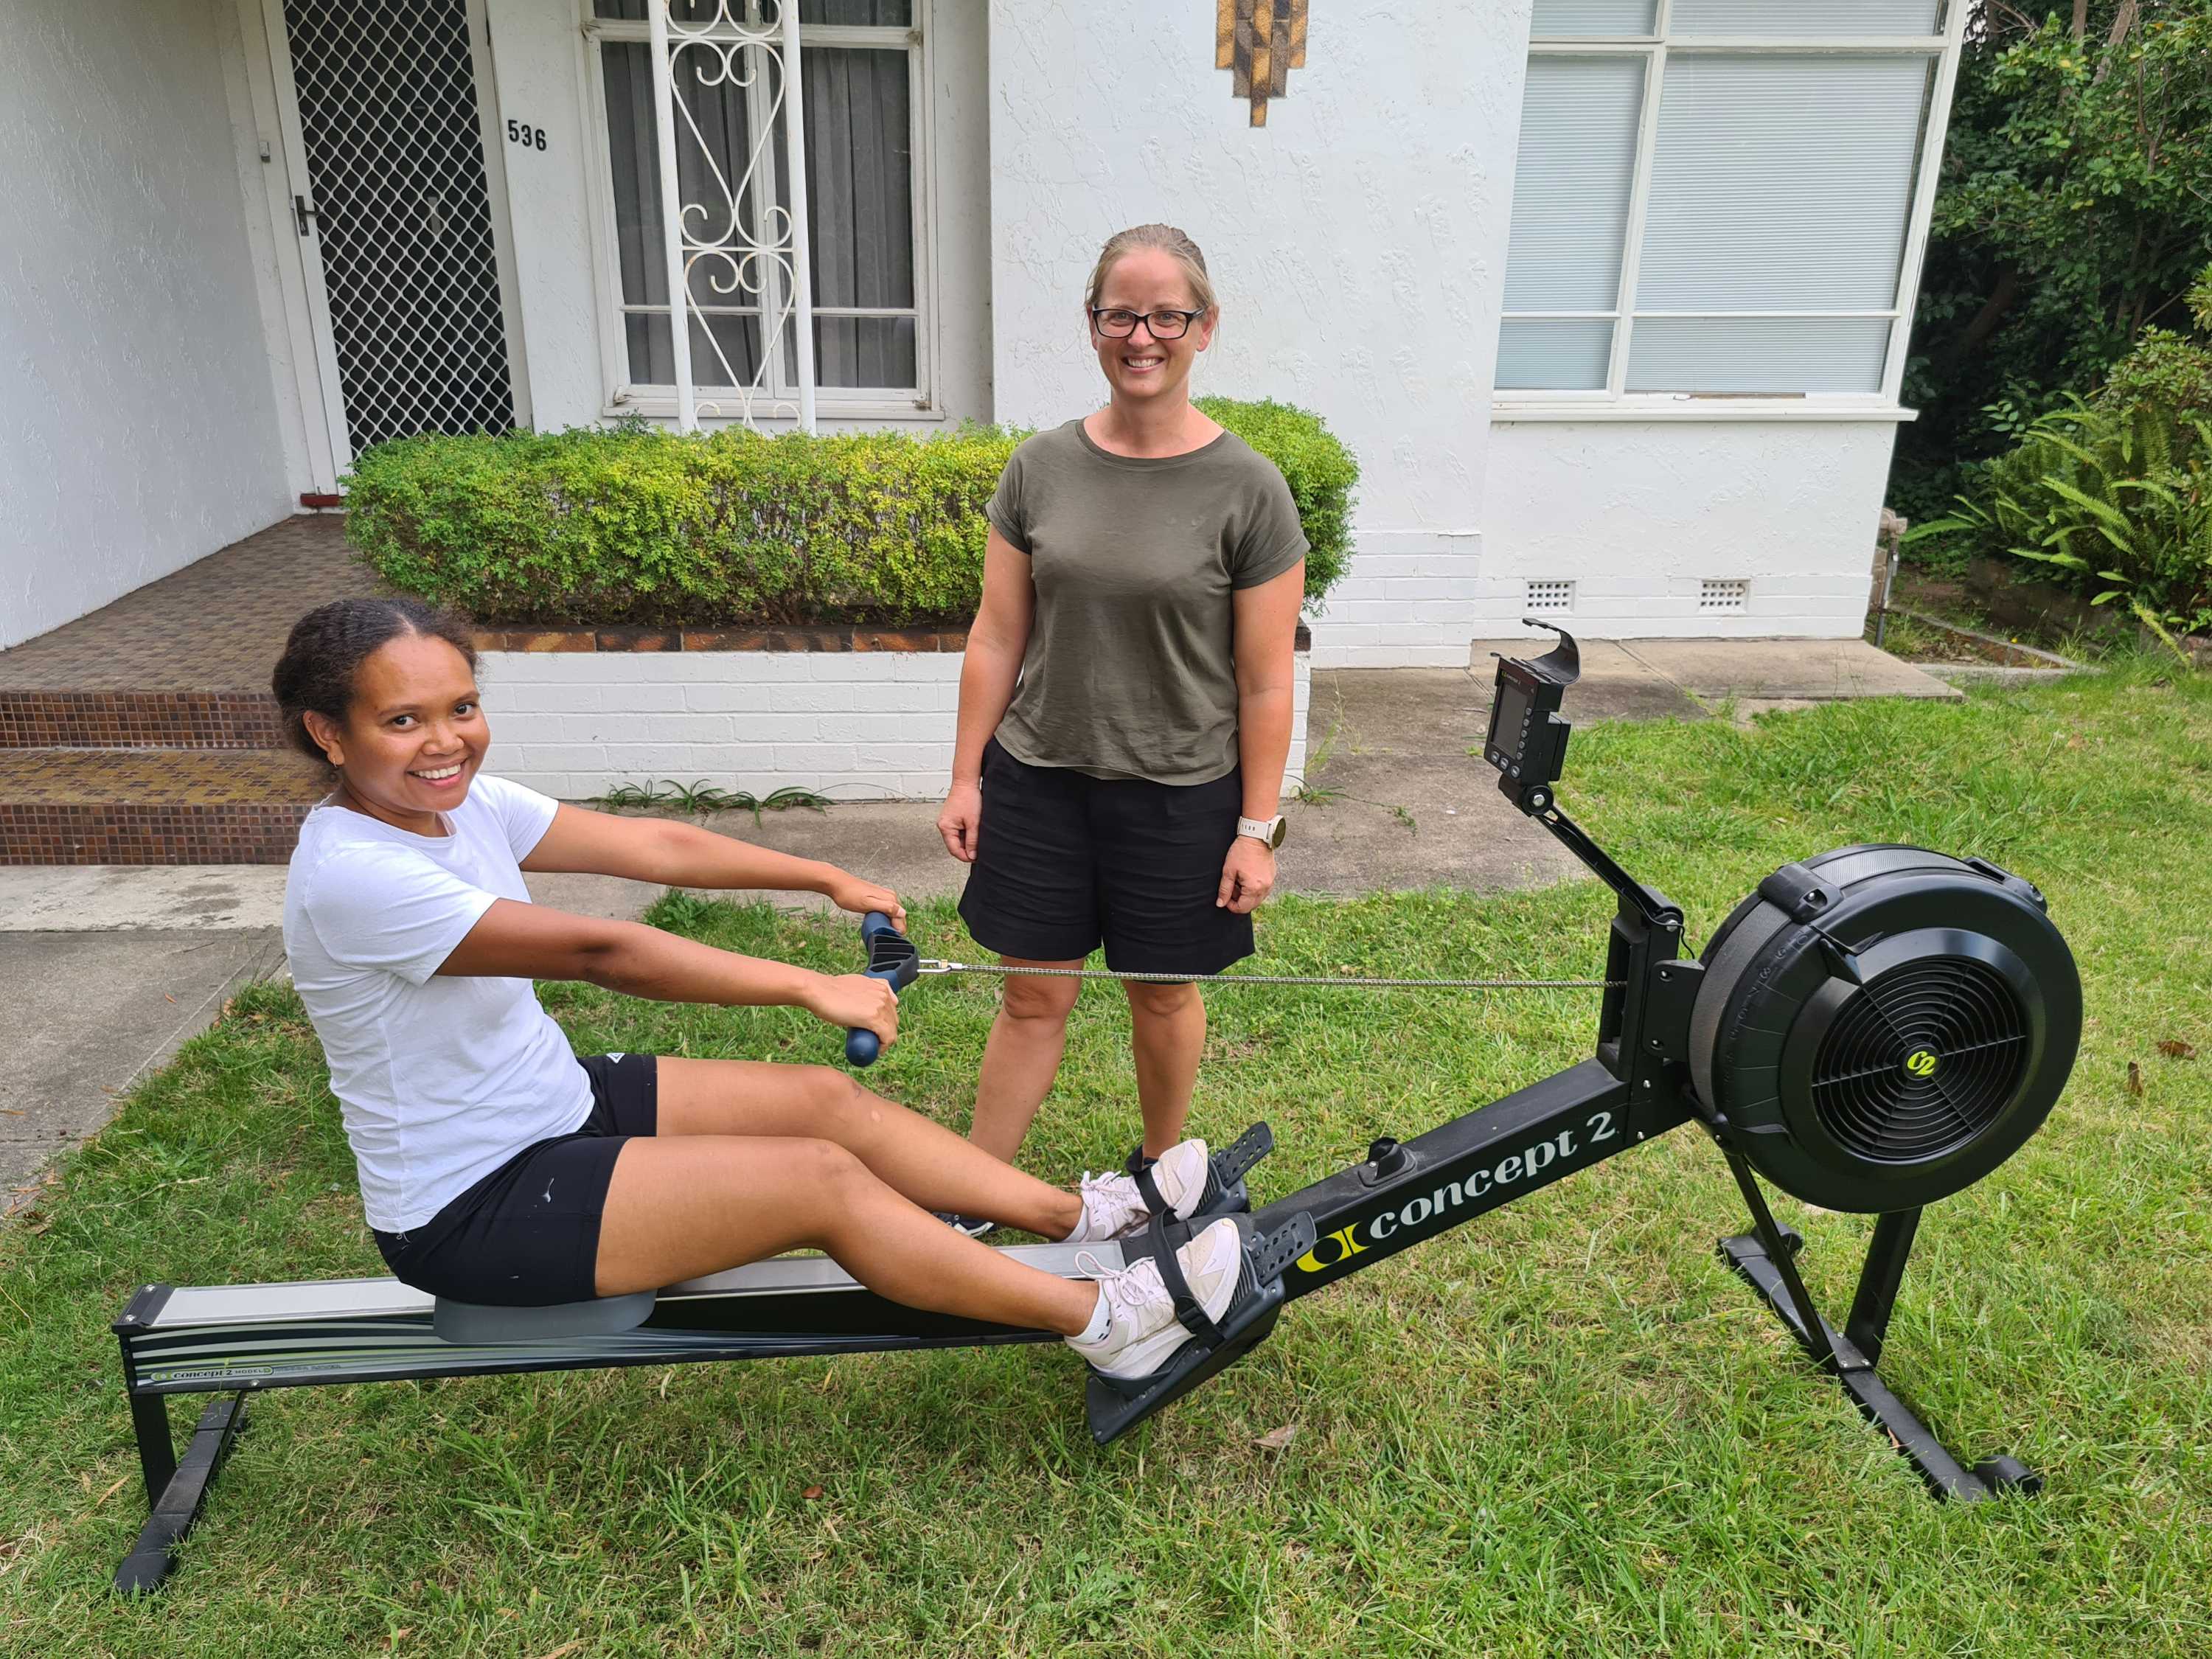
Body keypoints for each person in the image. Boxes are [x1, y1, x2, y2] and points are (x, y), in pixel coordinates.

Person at [271, 595, 1248, 1385]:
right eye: (402, 720)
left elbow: (656, 845)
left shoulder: (465, 803)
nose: (445, 740)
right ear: (329, 733)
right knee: (820, 1179)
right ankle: (1109, 1322)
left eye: (461, 707)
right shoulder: (355, 874)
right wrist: (811, 987)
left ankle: (1085, 1218)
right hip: (471, 1202)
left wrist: (822, 878)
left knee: (826, 1101)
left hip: (554, 1102)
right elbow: (600, 951)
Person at [935, 223, 1308, 1233]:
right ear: (1093, 324)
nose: (1142, 336)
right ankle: (975, 1195)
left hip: (1182, 794)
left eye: (1166, 317)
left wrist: (1256, 828)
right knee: (1030, 999)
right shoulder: (1039, 468)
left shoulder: (1249, 489)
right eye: (1121, 315)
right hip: (1040, 782)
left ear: (1205, 327)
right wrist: (966, 777)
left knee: (1160, 995)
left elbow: (1266, 680)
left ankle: (1158, 1177)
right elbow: (996, 635)